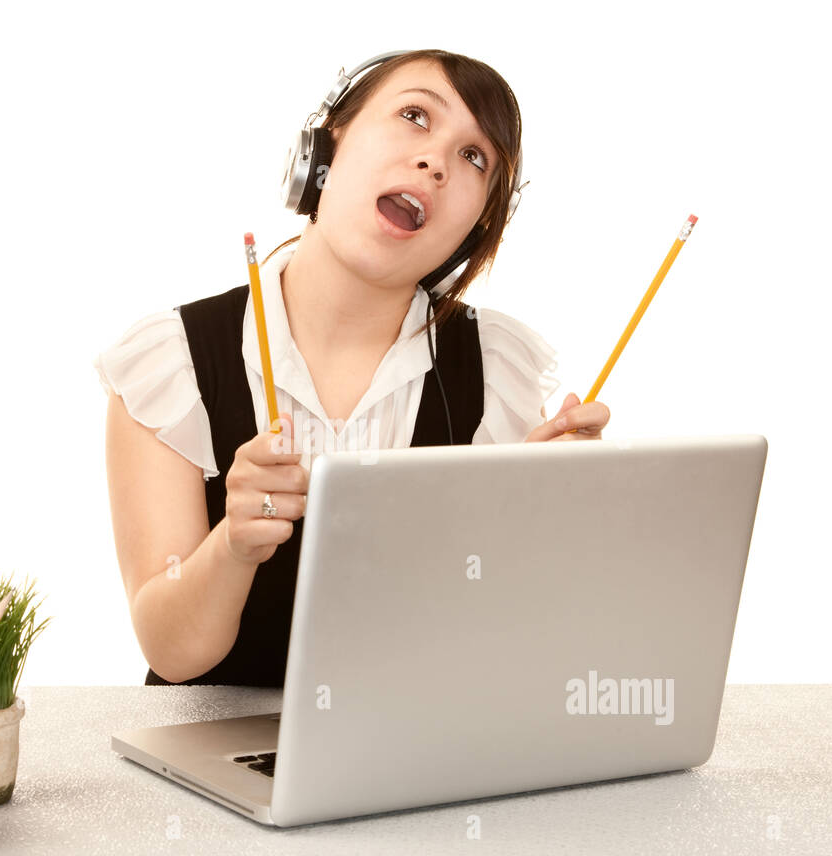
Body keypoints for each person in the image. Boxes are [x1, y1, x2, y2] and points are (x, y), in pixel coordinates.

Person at [95, 49, 610, 686]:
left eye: (474, 156)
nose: (436, 162)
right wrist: (233, 543)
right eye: (415, 116)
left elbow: (487, 650)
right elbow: (171, 654)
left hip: (411, 763)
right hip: (210, 766)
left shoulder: (496, 372)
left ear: (475, 229)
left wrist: (536, 522)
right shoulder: (171, 362)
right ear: (325, 149)